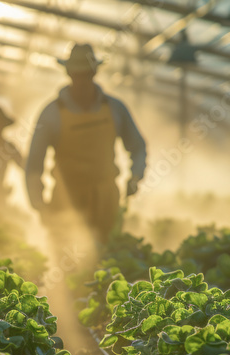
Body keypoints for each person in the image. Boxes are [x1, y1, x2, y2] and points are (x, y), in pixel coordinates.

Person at [25, 43, 147, 244]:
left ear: (94, 73)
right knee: (66, 263)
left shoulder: (115, 108)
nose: (81, 80)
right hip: (65, 202)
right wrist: (39, 204)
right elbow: (34, 165)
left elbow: (138, 146)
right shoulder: (51, 113)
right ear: (69, 74)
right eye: (76, 75)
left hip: (107, 201)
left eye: (86, 74)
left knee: (108, 260)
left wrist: (135, 176)